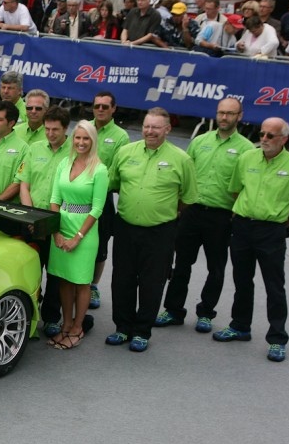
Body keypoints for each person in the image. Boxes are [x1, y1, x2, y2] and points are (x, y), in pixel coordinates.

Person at [155, 98, 254, 334]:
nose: (224, 117)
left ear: (240, 116)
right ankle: (173, 310)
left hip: (222, 216)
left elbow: (247, 186)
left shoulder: (247, 149)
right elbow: (184, 177)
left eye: (230, 113)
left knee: (216, 268)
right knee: (181, 265)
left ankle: (206, 313)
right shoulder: (199, 142)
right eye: (221, 112)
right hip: (192, 212)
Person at [214, 118, 289, 362]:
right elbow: (235, 189)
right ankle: (240, 326)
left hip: (272, 231)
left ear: (284, 139)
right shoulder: (246, 158)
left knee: (274, 285)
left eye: (270, 135)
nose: (263, 139)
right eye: (262, 133)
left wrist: (281, 223)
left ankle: (277, 338)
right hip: (243, 226)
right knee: (242, 280)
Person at [106, 108, 197, 352]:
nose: (150, 131)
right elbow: (114, 183)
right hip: (125, 227)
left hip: (160, 232)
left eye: (156, 127)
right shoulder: (125, 152)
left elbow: (187, 197)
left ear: (168, 129)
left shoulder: (182, 159)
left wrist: (165, 213)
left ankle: (142, 331)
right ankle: (122, 327)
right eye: (147, 126)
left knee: (152, 282)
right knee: (122, 279)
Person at [46, 119, 109, 349]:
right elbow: (54, 199)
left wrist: (77, 238)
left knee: (81, 282)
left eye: (86, 138)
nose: (81, 142)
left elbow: (97, 208)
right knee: (63, 279)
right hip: (61, 225)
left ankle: (77, 327)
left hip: (84, 231)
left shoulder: (100, 170)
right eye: (78, 138)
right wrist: (57, 233)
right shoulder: (64, 163)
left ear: (93, 141)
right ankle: (66, 324)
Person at [17, 106, 70, 336]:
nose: (50, 133)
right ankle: (30, 317)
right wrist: (30, 215)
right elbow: (24, 184)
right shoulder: (35, 148)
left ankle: (51, 318)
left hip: (61, 222)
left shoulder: (75, 153)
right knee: (32, 272)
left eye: (55, 130)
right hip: (33, 220)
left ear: (66, 129)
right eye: (47, 129)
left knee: (56, 274)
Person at [88, 90, 129, 310]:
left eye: (105, 106)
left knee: (101, 244)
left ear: (113, 109)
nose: (101, 110)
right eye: (97, 106)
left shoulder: (121, 136)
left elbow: (117, 170)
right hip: (78, 195)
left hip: (102, 197)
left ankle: (93, 285)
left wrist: (95, 181)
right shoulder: (85, 126)